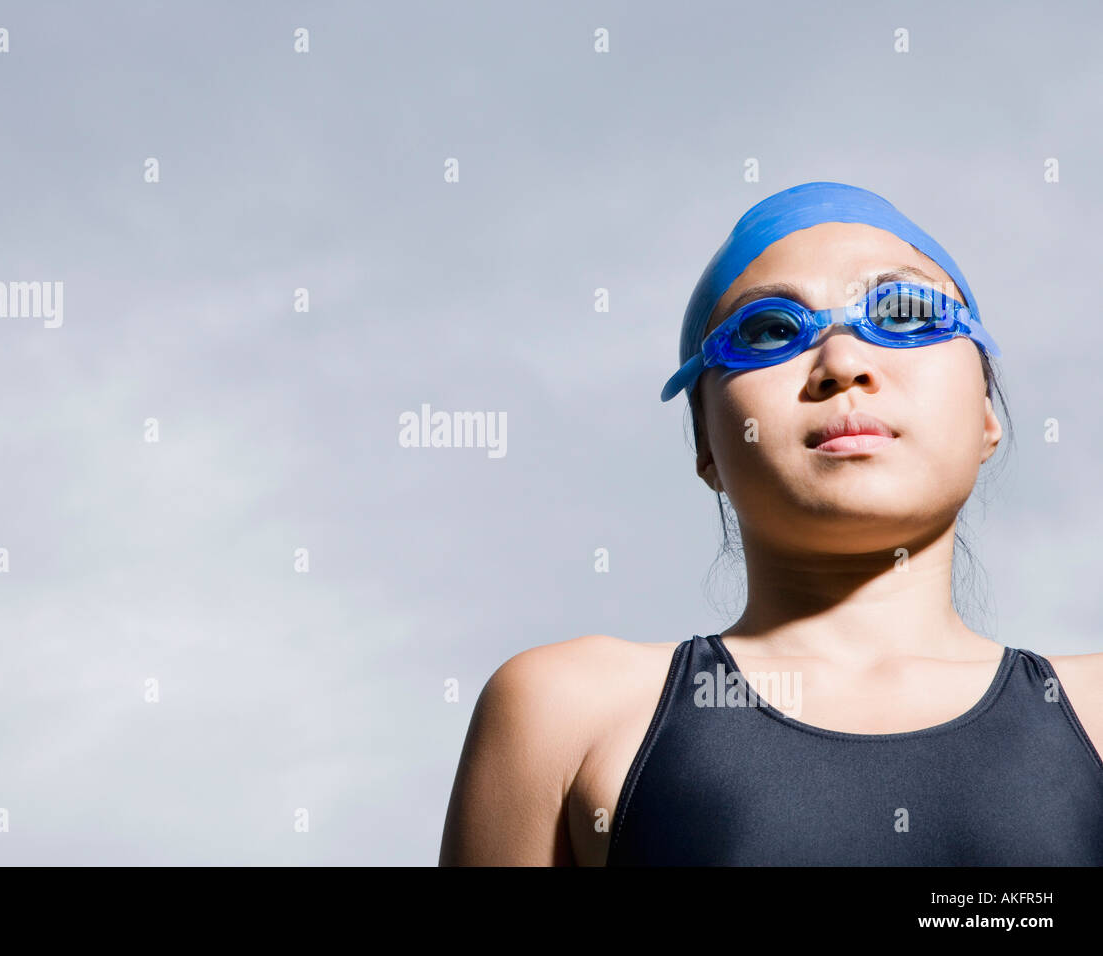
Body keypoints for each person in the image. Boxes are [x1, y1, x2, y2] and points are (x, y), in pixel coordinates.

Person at [438, 182, 1103, 866]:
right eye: (769, 330)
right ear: (706, 447)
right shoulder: (568, 715)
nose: (843, 365)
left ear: (986, 415)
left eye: (905, 314)